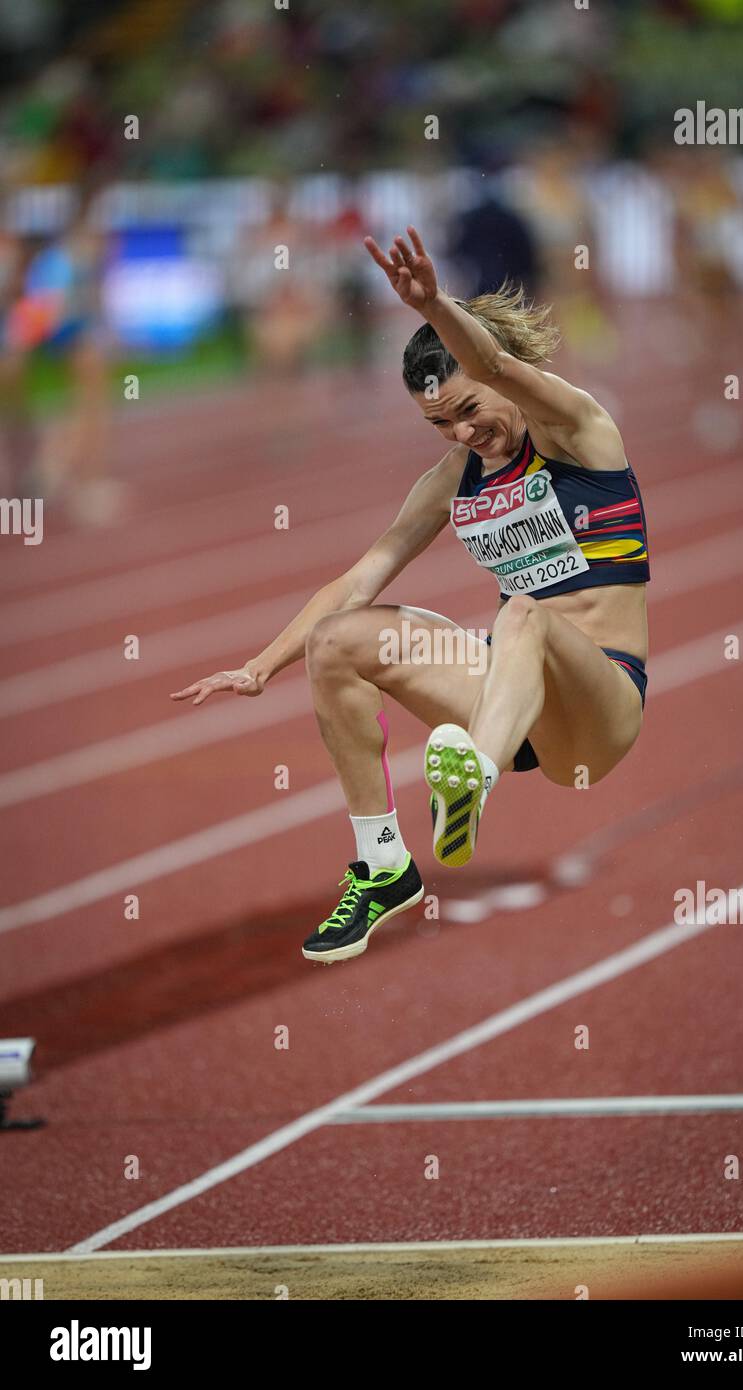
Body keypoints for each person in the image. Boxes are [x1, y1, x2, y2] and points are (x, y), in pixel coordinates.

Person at [171, 226, 650, 965]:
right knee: (338, 640)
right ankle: (383, 863)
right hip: (516, 707)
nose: (462, 431)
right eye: (439, 423)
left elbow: (487, 356)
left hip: (603, 701)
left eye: (468, 408)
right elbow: (359, 578)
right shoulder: (452, 477)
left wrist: (430, 303)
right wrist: (260, 667)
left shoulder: (574, 428)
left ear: (503, 377)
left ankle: (473, 787)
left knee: (522, 611)